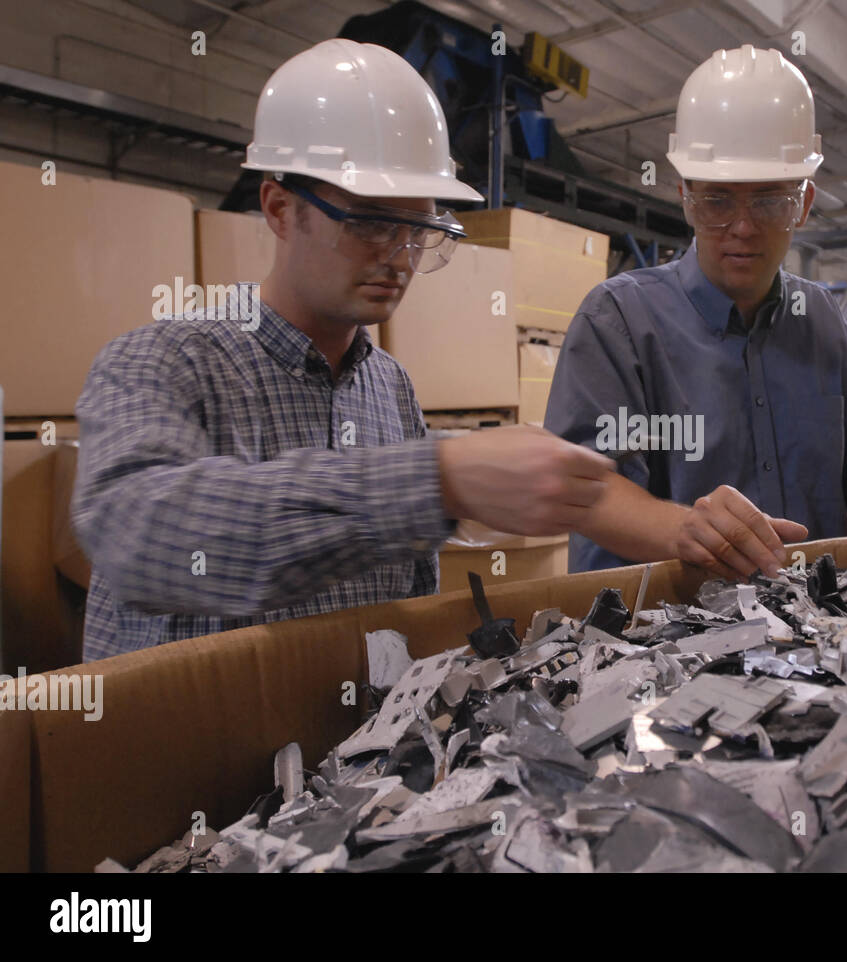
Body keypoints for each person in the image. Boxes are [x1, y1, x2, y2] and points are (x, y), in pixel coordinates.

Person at [72, 39, 611, 659]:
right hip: (193, 749)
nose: (400, 257)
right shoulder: (155, 362)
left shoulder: (389, 386)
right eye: (372, 222)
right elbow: (143, 539)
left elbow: (403, 598)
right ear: (279, 208)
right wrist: (435, 479)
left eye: (421, 230)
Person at [544, 44, 847, 581]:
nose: (743, 226)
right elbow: (585, 488)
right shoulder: (618, 320)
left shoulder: (821, 318)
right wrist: (683, 529)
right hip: (660, 640)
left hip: (817, 634)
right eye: (717, 200)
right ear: (685, 197)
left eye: (769, 200)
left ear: (802, 203)